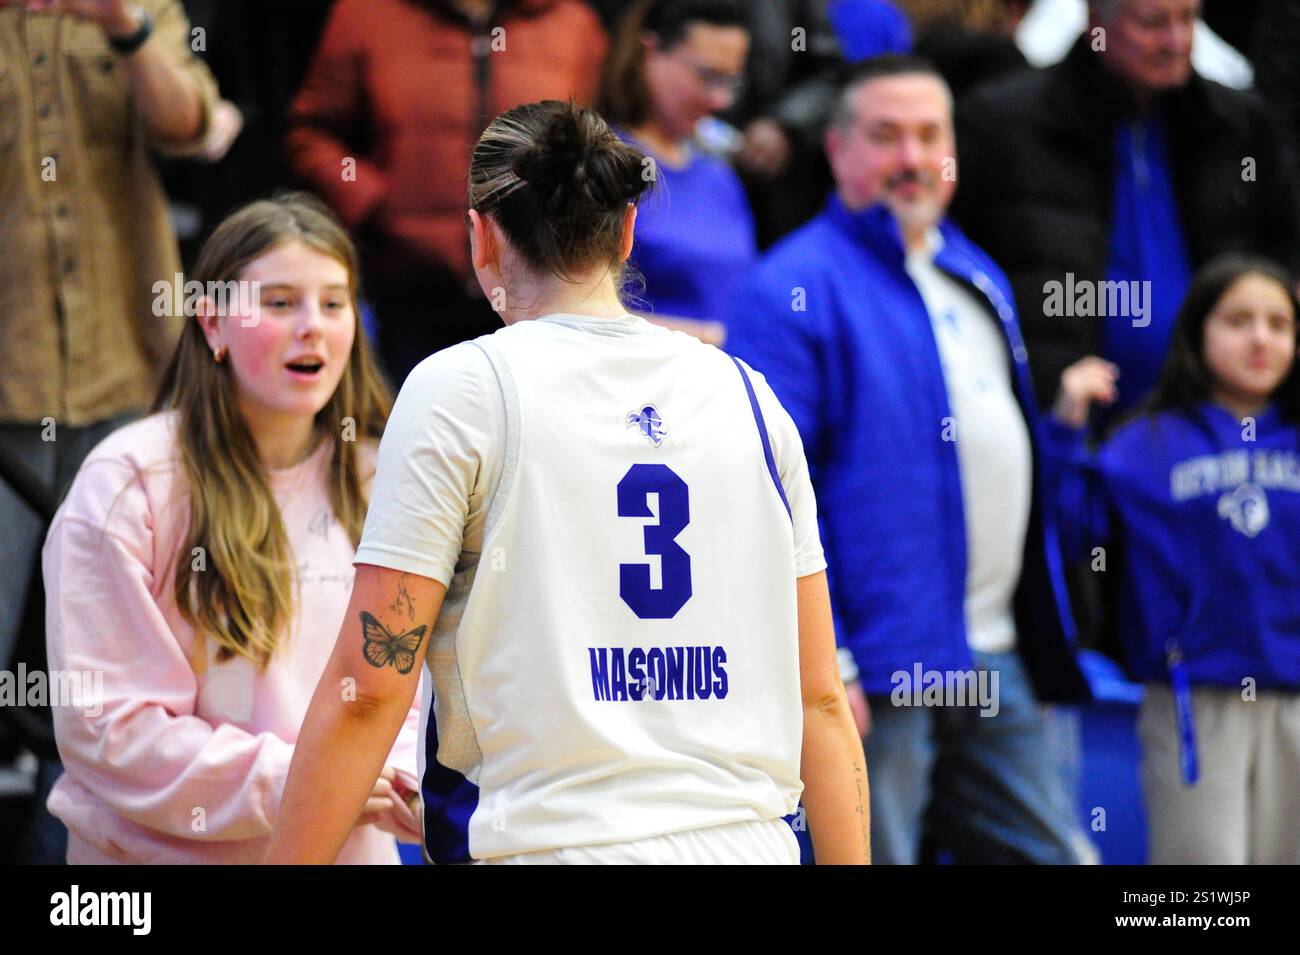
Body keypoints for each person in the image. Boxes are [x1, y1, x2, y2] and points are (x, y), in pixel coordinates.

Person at [266, 100, 870, 866]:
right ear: (625, 233)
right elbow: (821, 700)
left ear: (481, 234)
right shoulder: (752, 397)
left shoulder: (460, 388)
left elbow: (370, 690)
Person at [725, 55, 1090, 865]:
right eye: (886, 136)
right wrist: (830, 659)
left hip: (990, 650)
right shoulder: (790, 287)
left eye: (931, 135)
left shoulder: (977, 271)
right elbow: (761, 495)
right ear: (836, 148)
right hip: (877, 666)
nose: (913, 158)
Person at [42, 195, 423, 864]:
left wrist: (411, 778)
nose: (313, 326)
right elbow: (109, 729)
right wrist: (305, 777)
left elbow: (412, 696)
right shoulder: (127, 483)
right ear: (212, 323)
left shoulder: (381, 476)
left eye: (333, 304)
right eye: (280, 303)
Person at [1046, 255, 1300, 864]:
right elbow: (1069, 532)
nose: (1260, 338)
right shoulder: (1145, 445)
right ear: (1196, 332)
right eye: (1238, 320)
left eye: (1279, 323)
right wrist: (1063, 427)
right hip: (1193, 705)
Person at [954, 0, 1300, 415]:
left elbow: (1283, 248)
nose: (1176, 41)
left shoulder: (1236, 125)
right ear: (1095, 22)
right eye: (1153, 23)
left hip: (1217, 426)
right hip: (1064, 422)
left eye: (1188, 19)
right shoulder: (1003, 125)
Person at [284, 0, 609, 387]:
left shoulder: (571, 24)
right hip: (407, 291)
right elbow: (312, 133)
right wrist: (375, 201)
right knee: (409, 431)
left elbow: (597, 143)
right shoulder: (366, 14)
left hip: (538, 289)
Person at [598, 0, 756, 342]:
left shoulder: (718, 171)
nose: (719, 100)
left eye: (731, 81)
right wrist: (706, 336)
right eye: (706, 76)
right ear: (649, 52)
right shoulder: (602, 164)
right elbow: (575, 316)